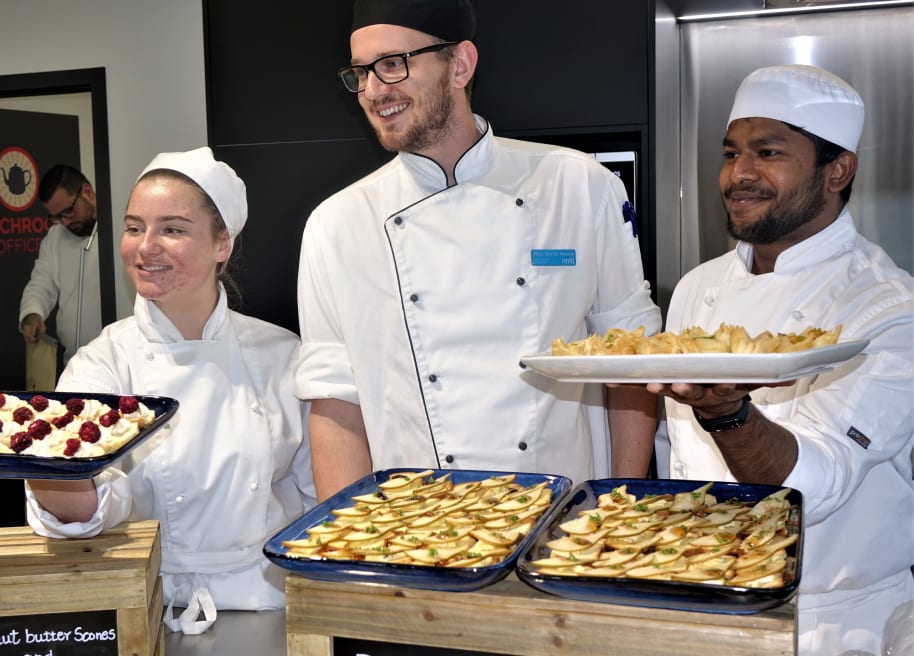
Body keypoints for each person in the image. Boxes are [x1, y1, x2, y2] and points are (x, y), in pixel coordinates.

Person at [294, 0, 662, 501]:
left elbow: (632, 366)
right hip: (416, 535)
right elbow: (336, 403)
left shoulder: (581, 188)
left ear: (460, 65)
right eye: (360, 72)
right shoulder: (336, 224)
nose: (374, 90)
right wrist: (347, 560)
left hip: (563, 530)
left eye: (393, 64)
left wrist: (619, 511)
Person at [646, 65, 913, 654]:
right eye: (731, 153)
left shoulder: (887, 307)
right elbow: (679, 462)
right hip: (701, 595)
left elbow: (818, 487)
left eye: (768, 152)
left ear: (837, 170)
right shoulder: (696, 286)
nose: (738, 174)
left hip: (830, 620)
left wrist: (727, 414)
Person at [25, 147, 317, 634]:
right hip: (144, 610)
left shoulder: (284, 356)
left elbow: (316, 503)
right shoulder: (102, 366)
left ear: (222, 244)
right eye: (135, 226)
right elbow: (87, 509)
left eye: (173, 229)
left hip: (271, 605)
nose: (145, 246)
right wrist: (39, 462)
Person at [19, 164, 103, 365]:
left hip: (123, 363)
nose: (65, 222)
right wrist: (32, 314)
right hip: (74, 363)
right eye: (56, 217)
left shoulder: (124, 228)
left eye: (69, 211)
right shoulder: (55, 238)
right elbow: (41, 284)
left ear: (87, 192)